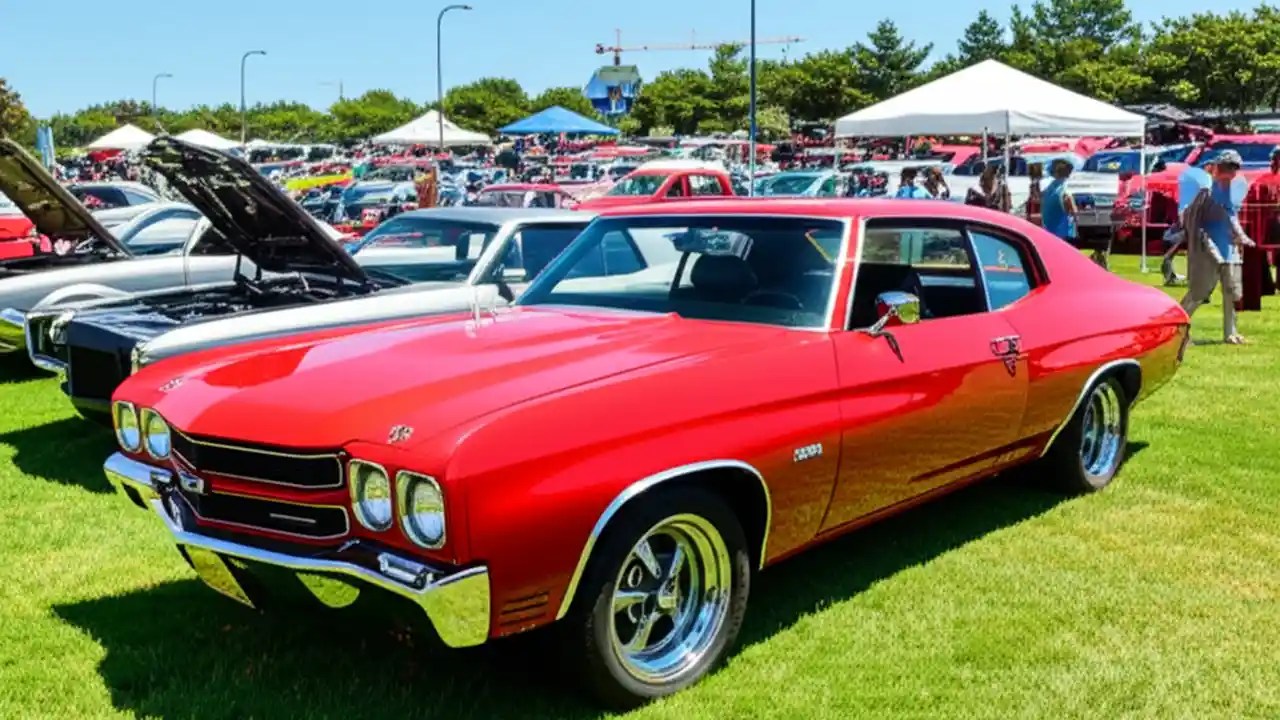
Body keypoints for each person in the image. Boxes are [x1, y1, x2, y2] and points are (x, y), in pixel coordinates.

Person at [1180, 149, 1254, 345]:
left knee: (1231, 291)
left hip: (1228, 247)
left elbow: (1231, 216)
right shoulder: (1205, 191)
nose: (1231, 174)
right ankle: (1179, 331)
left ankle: (1230, 333)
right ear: (1218, 169)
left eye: (1234, 170)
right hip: (1207, 247)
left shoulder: (1230, 190)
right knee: (1199, 292)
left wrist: (1242, 236)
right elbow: (1192, 220)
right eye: (1228, 169)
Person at [1041, 159, 1079, 249]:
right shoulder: (1065, 191)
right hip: (1062, 231)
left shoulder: (1048, 189)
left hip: (1048, 229)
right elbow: (1074, 211)